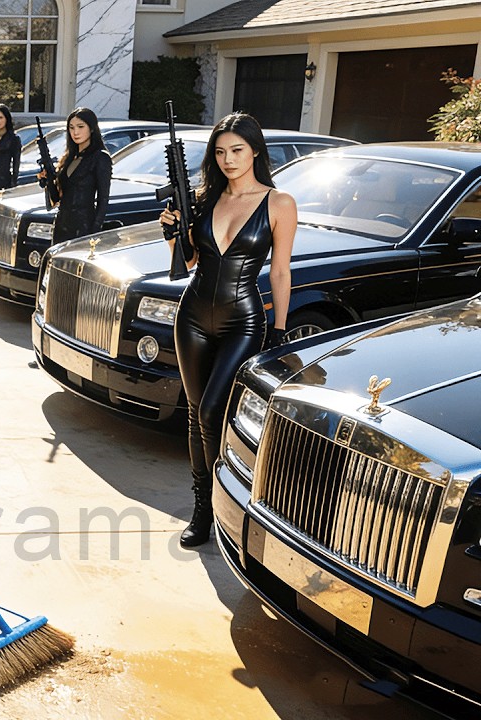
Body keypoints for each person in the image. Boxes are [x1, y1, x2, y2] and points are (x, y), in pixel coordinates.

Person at [160, 112, 296, 548]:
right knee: (194, 411)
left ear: (255, 150)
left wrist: (280, 329)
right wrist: (172, 233)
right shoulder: (205, 198)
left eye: (237, 149)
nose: (228, 159)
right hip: (193, 316)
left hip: (243, 321)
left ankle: (226, 503)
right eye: (220, 152)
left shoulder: (279, 203)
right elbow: (187, 262)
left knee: (210, 411)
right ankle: (203, 509)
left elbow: (280, 271)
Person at [36, 107, 113, 243]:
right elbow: (56, 199)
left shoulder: (100, 157)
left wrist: (94, 233)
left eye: (80, 126)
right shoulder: (69, 158)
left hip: (84, 227)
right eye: (71, 128)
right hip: (61, 226)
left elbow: (103, 199)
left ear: (92, 128)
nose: (75, 132)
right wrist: (47, 180)